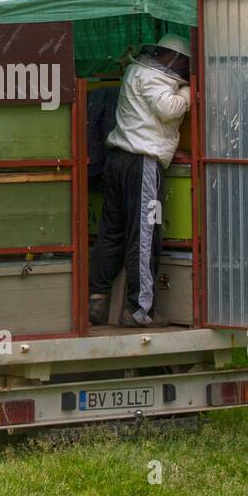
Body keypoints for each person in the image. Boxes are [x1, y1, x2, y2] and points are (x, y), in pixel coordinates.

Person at [89, 33, 191, 327]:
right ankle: (139, 310)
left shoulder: (135, 70)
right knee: (144, 236)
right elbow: (168, 108)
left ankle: (97, 300)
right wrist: (187, 93)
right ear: (172, 58)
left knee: (111, 232)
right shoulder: (154, 78)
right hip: (142, 162)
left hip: (117, 160)